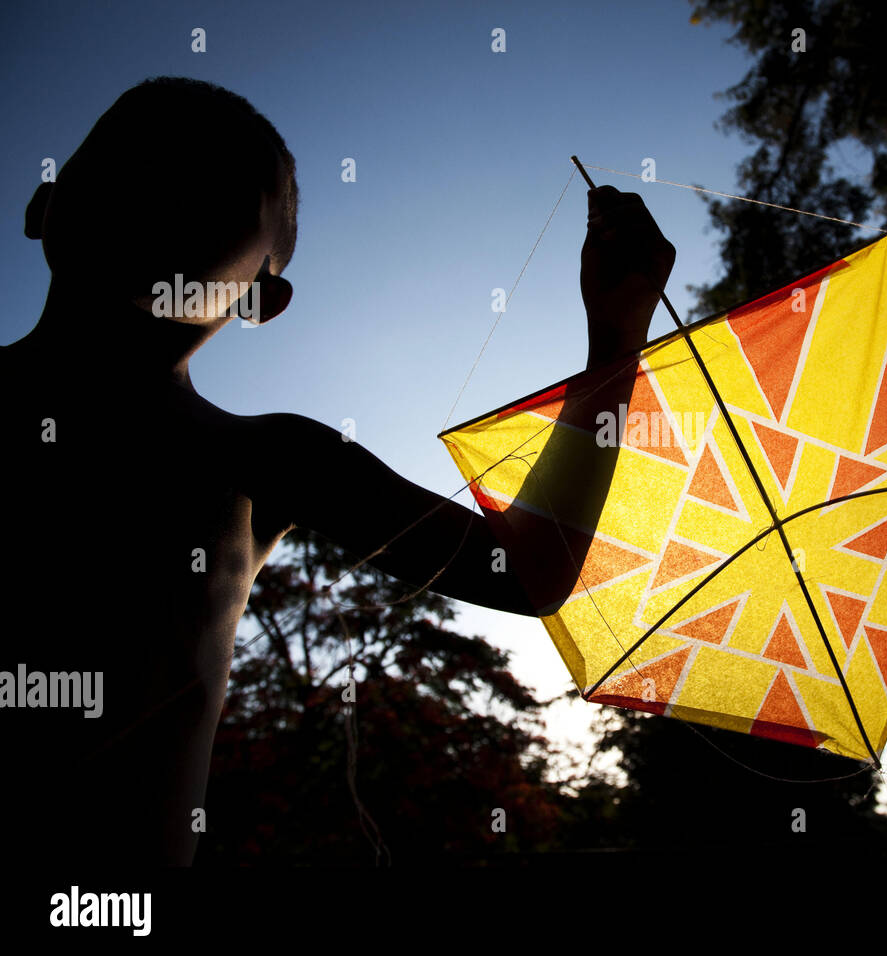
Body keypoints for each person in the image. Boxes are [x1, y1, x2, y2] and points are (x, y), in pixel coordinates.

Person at [0, 76, 674, 865]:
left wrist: (615, 344)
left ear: (261, 300)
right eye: (123, 167)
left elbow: (526, 575)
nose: (156, 190)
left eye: (207, 191)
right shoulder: (265, 458)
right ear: (44, 207)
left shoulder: (270, 459)